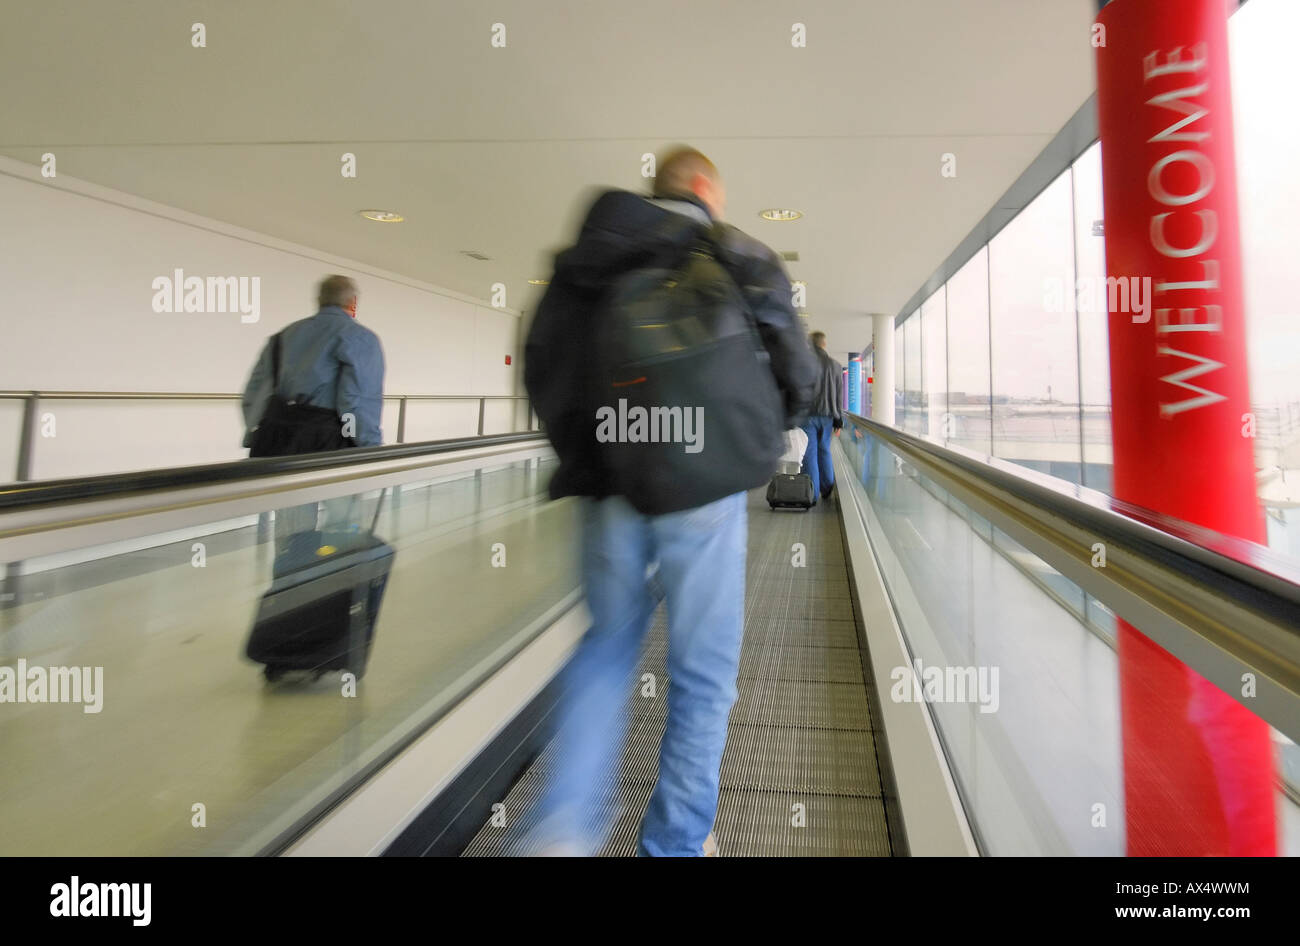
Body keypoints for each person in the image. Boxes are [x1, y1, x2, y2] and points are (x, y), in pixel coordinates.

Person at [524, 146, 817, 856]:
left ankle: (561, 830)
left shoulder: (593, 257)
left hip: (610, 486)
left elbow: (543, 364)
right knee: (702, 673)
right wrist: (766, 427)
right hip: (703, 492)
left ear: (656, 189)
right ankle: (677, 843)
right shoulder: (735, 253)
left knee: (607, 648)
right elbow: (797, 368)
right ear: (707, 190)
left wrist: (588, 454)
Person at [241, 274, 385, 541]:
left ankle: (291, 575)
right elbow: (355, 400)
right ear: (352, 302)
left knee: (293, 528)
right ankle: (334, 576)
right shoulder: (359, 338)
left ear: (319, 300)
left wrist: (253, 434)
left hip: (286, 443)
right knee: (343, 525)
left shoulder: (283, 337)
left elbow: (255, 392)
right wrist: (370, 447)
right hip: (334, 443)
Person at [801, 331, 843, 504]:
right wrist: (838, 419)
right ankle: (827, 487)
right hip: (827, 416)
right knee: (824, 449)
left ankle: (812, 493)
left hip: (807, 415)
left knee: (810, 452)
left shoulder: (804, 364)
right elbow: (839, 395)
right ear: (824, 344)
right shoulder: (836, 366)